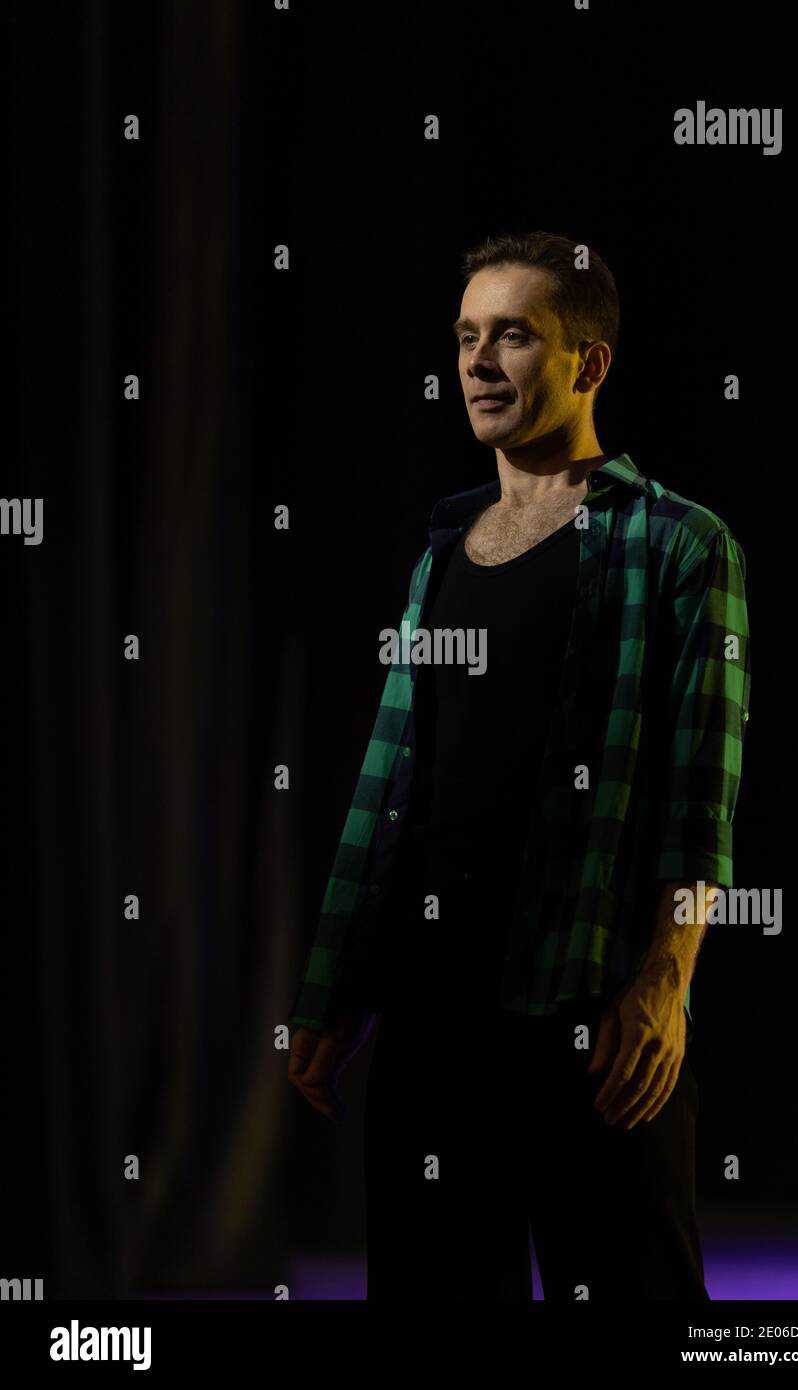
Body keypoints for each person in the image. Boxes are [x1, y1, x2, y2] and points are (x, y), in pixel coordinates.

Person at [287, 230, 751, 1300]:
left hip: (591, 1025)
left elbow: (699, 799)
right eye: (463, 337)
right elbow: (385, 798)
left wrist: (663, 983)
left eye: (511, 336)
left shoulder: (679, 545)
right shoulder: (437, 558)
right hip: (432, 1030)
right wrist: (331, 993)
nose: (478, 362)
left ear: (585, 363)